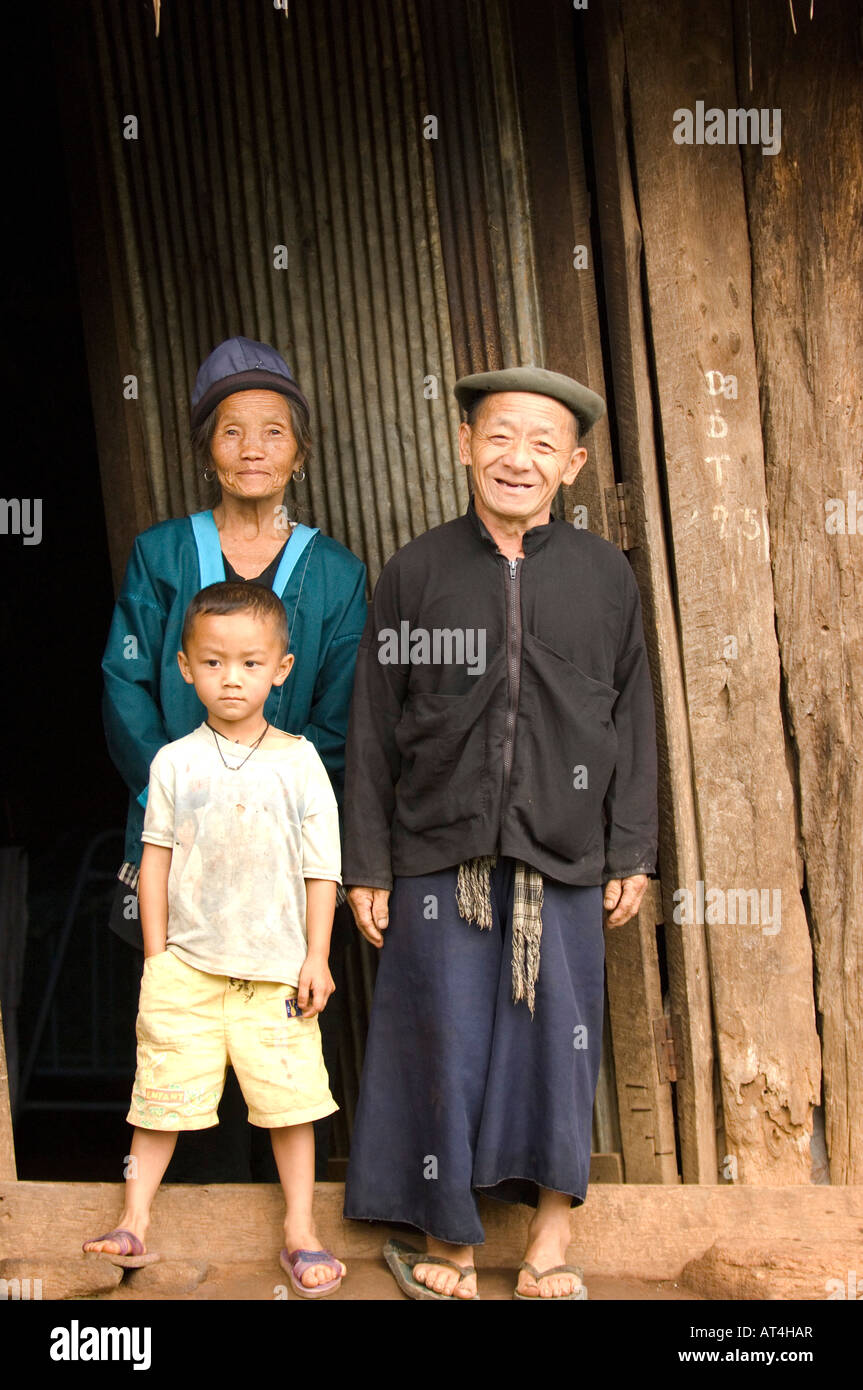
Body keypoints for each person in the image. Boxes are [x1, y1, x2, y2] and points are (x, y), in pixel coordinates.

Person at [342, 366, 658, 1300]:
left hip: (561, 858)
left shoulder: (605, 577)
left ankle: (548, 1246)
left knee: (556, 1045)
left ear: (574, 465)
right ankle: (451, 1249)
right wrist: (368, 862)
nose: (517, 457)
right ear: (463, 445)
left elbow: (632, 717)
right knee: (442, 1041)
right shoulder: (417, 570)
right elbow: (371, 726)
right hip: (438, 856)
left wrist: (631, 845)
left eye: (542, 444)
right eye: (498, 435)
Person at [101, 336, 366, 1178]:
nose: (252, 448)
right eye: (230, 431)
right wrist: (178, 789)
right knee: (177, 1018)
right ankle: (183, 1201)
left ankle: (284, 1208)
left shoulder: (336, 572)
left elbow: (341, 710)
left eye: (274, 432)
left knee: (279, 1024)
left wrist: (272, 797)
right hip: (175, 832)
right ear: (205, 451)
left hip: (282, 845)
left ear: (301, 452)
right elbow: (125, 679)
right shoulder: (162, 554)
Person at [84, 582, 347, 1295]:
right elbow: (156, 858)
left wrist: (316, 956)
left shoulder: (300, 765)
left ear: (282, 669)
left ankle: (301, 1231)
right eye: (214, 663)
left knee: (291, 1106)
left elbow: (322, 870)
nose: (232, 678)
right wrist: (157, 956)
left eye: (250, 664)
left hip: (276, 974)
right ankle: (132, 1220)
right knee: (158, 1098)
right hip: (188, 971)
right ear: (183, 667)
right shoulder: (173, 762)